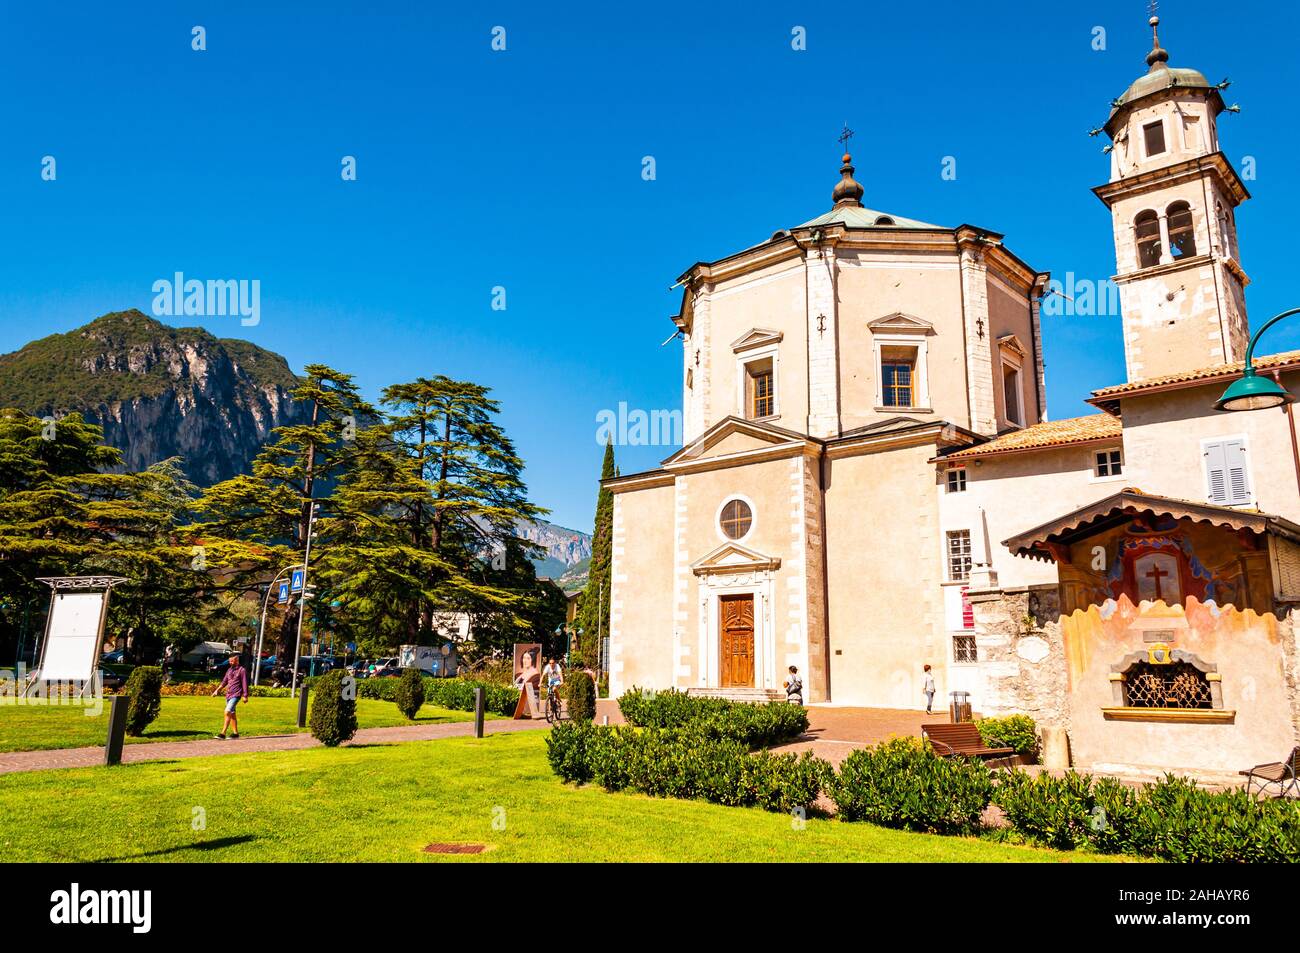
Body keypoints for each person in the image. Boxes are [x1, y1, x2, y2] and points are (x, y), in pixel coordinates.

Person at [212, 653, 249, 739]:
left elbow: (244, 683)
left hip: (236, 695)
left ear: (237, 661)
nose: (231, 663)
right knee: (232, 714)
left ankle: (222, 733)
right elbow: (224, 682)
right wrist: (217, 690)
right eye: (230, 661)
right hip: (229, 694)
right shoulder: (229, 670)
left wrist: (245, 695)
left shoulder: (241, 670)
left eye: (232, 661)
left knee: (227, 711)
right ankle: (235, 734)